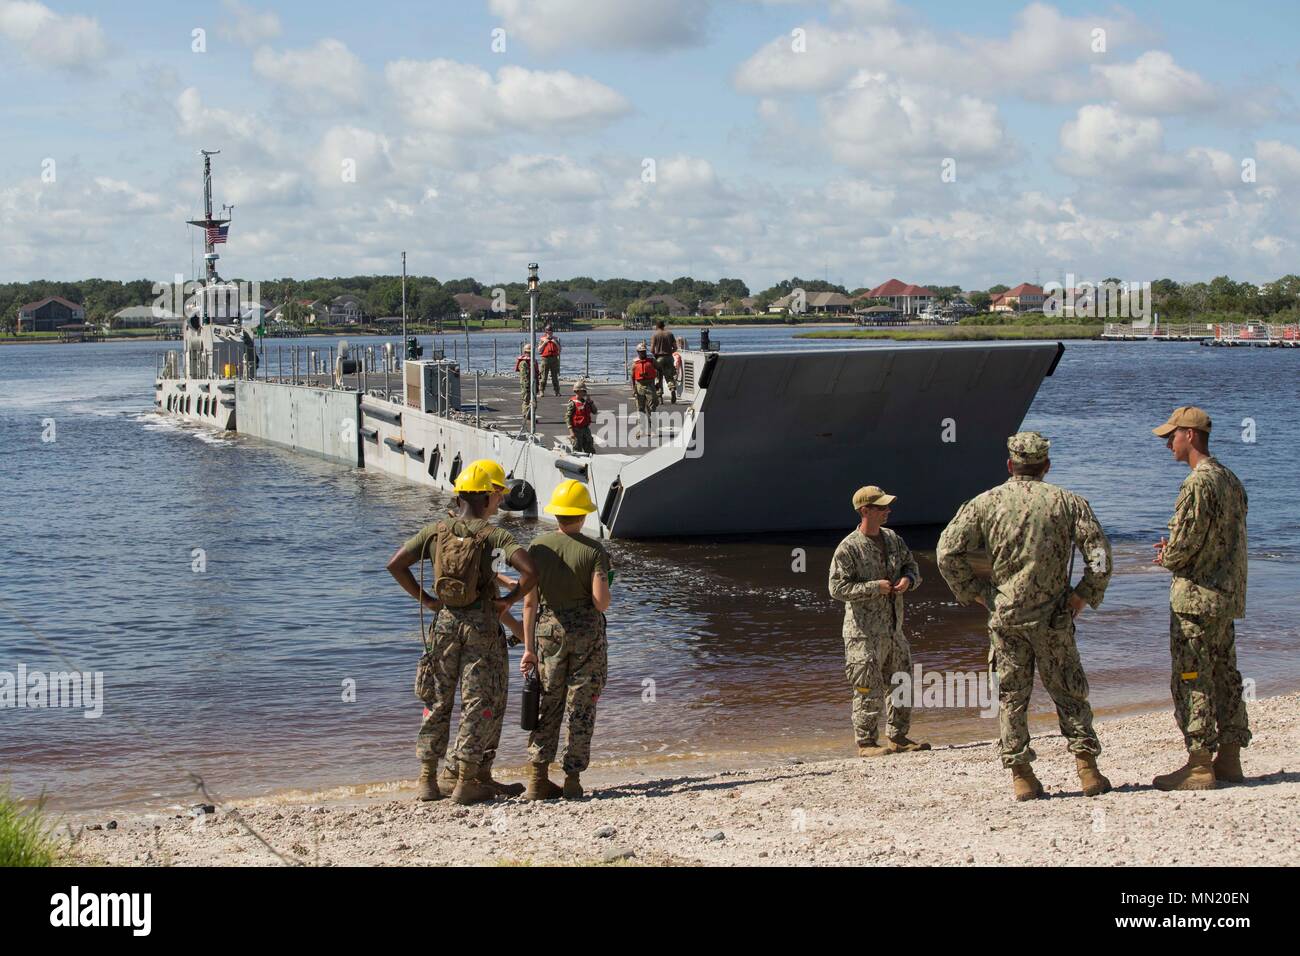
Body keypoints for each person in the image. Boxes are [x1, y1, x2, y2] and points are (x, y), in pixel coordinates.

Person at [937, 432, 1114, 801]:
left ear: (1009, 464)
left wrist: (979, 593)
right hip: (1054, 617)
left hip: (1007, 616)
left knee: (1011, 697)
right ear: (1046, 466)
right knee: (1068, 691)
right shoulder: (1068, 502)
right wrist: (1083, 594)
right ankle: (1087, 769)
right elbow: (1099, 555)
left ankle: (1021, 775)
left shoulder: (985, 503)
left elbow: (947, 554)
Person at [385, 461, 538, 804]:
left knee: (437, 699)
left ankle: (428, 779)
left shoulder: (435, 531)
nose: (500, 502)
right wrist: (509, 600)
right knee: (481, 701)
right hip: (482, 628)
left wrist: (427, 601)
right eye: (498, 495)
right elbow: (530, 570)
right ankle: (468, 780)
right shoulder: (495, 536)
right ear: (485, 497)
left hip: (444, 625)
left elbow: (395, 564)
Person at [1150, 406, 1250, 791]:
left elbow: (1184, 547)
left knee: (1192, 677)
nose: (1167, 443)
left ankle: (1198, 763)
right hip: (1225, 598)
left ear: (1190, 435)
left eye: (1171, 436)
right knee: (1226, 676)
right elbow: (1227, 541)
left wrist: (1167, 555)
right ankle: (1230, 759)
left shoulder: (1197, 484)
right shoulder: (1230, 479)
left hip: (1195, 601)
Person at [520, 480, 612, 800]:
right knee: (581, 704)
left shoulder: (536, 548)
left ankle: (536, 778)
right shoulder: (594, 550)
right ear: (583, 516)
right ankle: (572, 779)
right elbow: (601, 602)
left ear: (556, 513)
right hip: (586, 634)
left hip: (547, 632)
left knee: (548, 702)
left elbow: (529, 603)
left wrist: (529, 648)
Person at [828, 485, 929, 757]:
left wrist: (909, 580)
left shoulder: (893, 539)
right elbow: (836, 589)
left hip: (894, 630)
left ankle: (898, 737)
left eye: (886, 506)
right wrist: (874, 587)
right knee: (866, 688)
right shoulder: (848, 548)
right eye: (881, 507)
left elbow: (912, 567)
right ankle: (867, 744)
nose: (887, 511)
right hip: (863, 634)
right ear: (865, 511)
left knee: (902, 681)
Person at [630, 341, 659, 428]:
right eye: (641, 351)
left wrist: (659, 383)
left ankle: (652, 423)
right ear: (638, 352)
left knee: (653, 405)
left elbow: (660, 369)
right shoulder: (635, 363)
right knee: (640, 408)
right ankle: (641, 427)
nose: (643, 353)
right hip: (639, 386)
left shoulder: (652, 360)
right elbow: (632, 377)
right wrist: (634, 389)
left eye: (644, 351)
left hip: (650, 384)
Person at [565, 380, 597, 454]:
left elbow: (595, 411)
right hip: (576, 430)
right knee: (577, 451)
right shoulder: (572, 403)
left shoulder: (587, 402)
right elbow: (568, 417)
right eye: (583, 391)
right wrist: (571, 432)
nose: (585, 393)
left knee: (590, 450)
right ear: (577, 391)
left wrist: (590, 402)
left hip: (586, 429)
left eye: (585, 391)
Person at [650, 319, 678, 403]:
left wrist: (655, 355)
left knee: (659, 377)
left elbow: (652, 350)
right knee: (669, 376)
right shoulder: (670, 334)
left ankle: (660, 396)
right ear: (663, 326)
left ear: (656, 326)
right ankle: (672, 389)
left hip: (659, 358)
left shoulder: (655, 335)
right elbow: (675, 347)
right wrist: (670, 353)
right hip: (669, 357)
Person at [515, 343, 539, 418]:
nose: (529, 354)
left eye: (530, 352)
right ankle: (526, 416)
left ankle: (530, 416)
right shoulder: (523, 363)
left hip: (533, 384)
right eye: (527, 352)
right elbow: (524, 376)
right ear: (524, 352)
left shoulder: (533, 361)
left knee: (533, 402)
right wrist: (527, 387)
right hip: (527, 385)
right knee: (526, 401)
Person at [539, 325, 562, 397]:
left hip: (554, 359)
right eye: (548, 332)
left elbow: (560, 349)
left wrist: (555, 342)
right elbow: (539, 350)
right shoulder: (542, 340)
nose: (549, 334)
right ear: (546, 332)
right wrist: (545, 343)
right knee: (543, 377)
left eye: (551, 332)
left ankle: (557, 391)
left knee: (555, 377)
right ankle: (541, 391)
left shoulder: (555, 339)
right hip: (545, 359)